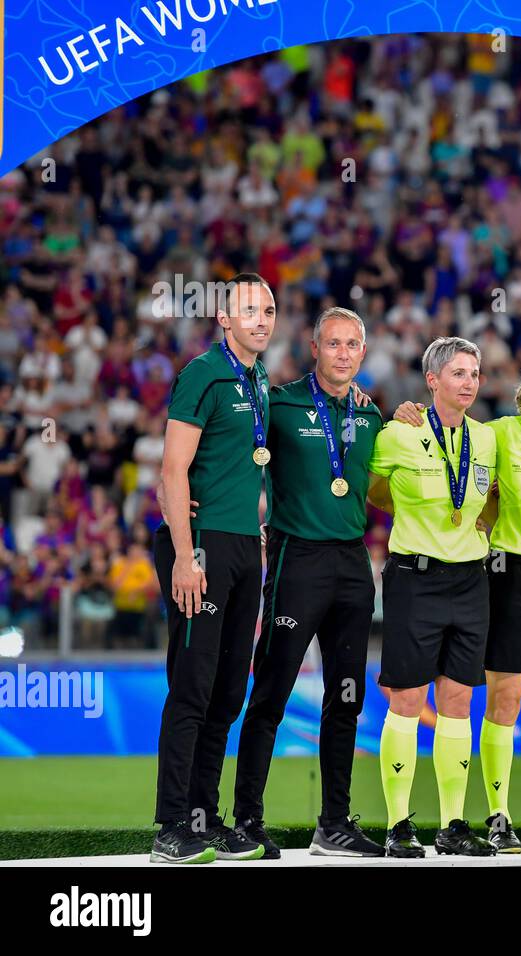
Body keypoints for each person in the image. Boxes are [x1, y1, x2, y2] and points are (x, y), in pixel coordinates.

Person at [393, 352, 521, 853]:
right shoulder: (499, 435)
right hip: (510, 576)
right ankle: (498, 816)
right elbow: (460, 465)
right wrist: (410, 412)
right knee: (505, 701)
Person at [227, 307, 385, 858]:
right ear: (314, 348)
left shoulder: (371, 416)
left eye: (352, 345)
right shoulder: (281, 401)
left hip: (352, 565)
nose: (343, 353)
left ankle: (334, 824)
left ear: (363, 354)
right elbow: (235, 448)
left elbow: (384, 482)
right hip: (297, 558)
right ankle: (245, 820)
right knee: (271, 694)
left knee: (346, 699)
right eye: (333, 343)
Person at [151, 273, 275, 864]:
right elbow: (173, 471)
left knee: (228, 693)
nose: (262, 318)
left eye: (269, 309)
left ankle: (205, 818)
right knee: (193, 689)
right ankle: (170, 826)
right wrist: (183, 555)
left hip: (244, 549)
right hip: (199, 547)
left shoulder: (259, 381)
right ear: (225, 318)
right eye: (249, 309)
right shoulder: (204, 373)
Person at [368, 337, 498, 857]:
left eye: (475, 374)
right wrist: (407, 513)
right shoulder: (398, 433)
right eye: (459, 373)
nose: (469, 382)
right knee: (405, 700)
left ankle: (452, 825)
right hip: (414, 577)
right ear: (432, 380)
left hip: (470, 579)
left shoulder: (486, 440)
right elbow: (374, 491)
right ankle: (399, 825)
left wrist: (482, 530)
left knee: (459, 702)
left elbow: (490, 498)